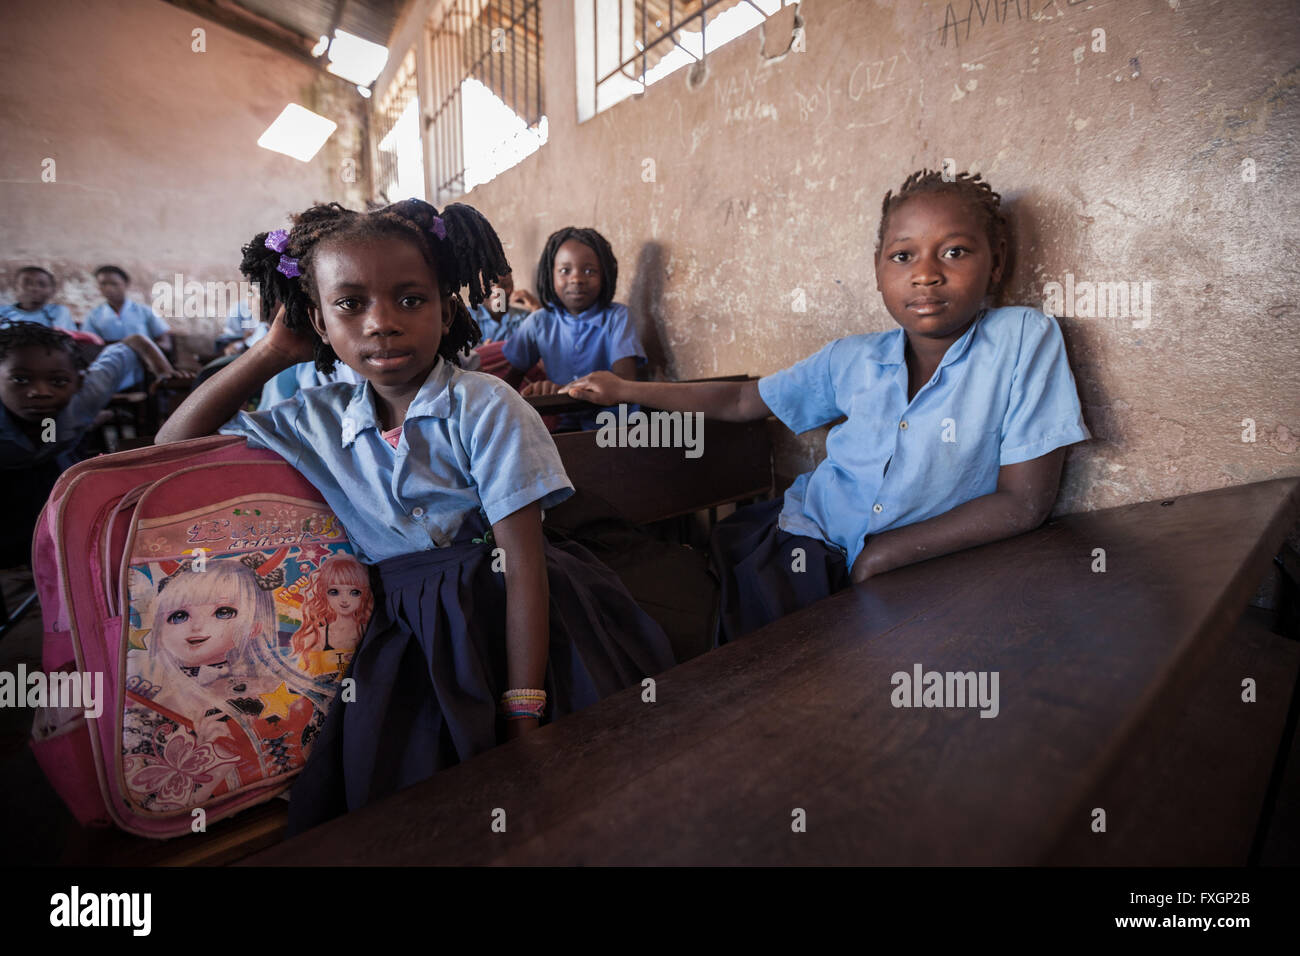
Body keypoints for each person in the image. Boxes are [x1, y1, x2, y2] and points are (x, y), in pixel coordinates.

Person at [155, 198, 675, 832]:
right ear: (316, 320)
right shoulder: (316, 418)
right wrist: (270, 353)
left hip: (516, 618)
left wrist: (523, 706)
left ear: (447, 308)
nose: (381, 324)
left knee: (565, 789)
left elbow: (522, 566)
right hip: (404, 631)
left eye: (409, 299)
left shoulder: (485, 406)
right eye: (349, 305)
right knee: (412, 796)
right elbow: (168, 448)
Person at [568, 169, 1090, 642]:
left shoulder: (1023, 338)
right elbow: (746, 398)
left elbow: (1024, 502)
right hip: (800, 539)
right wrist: (628, 390)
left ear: (996, 265)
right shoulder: (852, 358)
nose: (926, 274)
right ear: (878, 270)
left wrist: (885, 553)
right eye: (902, 256)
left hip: (901, 568)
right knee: (706, 639)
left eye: (954, 252)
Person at [122, 559, 326, 811]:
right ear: (159, 631)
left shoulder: (278, 685)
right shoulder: (161, 709)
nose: (196, 626)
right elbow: (159, 800)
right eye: (179, 616)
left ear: (255, 625)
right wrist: (208, 759)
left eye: (223, 612)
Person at [0, 322, 190, 567]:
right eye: (20, 379)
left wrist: (164, 370)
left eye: (57, 382)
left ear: (78, 382)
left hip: (54, 491)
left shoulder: (86, 395)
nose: (40, 391)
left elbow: (133, 341)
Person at [502, 227, 646, 429]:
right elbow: (509, 383)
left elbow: (625, 382)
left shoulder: (618, 317)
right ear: (549, 274)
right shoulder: (538, 322)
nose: (577, 279)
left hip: (615, 425)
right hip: (566, 420)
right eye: (564, 270)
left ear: (605, 274)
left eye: (589, 271)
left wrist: (565, 390)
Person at [290, 553, 374, 677]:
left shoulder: (372, 630)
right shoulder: (316, 637)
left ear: (365, 594)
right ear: (323, 593)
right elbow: (310, 684)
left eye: (354, 592)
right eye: (334, 592)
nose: (344, 600)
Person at [85, 265, 173, 370]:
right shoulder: (94, 316)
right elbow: (89, 346)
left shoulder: (145, 311)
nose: (108, 288)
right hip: (111, 366)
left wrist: (147, 351)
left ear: (126, 285)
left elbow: (166, 343)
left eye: (114, 284)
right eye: (103, 284)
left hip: (144, 367)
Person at [0, 266, 75, 330]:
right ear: (15, 288)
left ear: (52, 291)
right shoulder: (3, 313)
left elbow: (64, 341)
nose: (34, 288)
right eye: (27, 283)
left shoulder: (58, 312)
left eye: (42, 284)